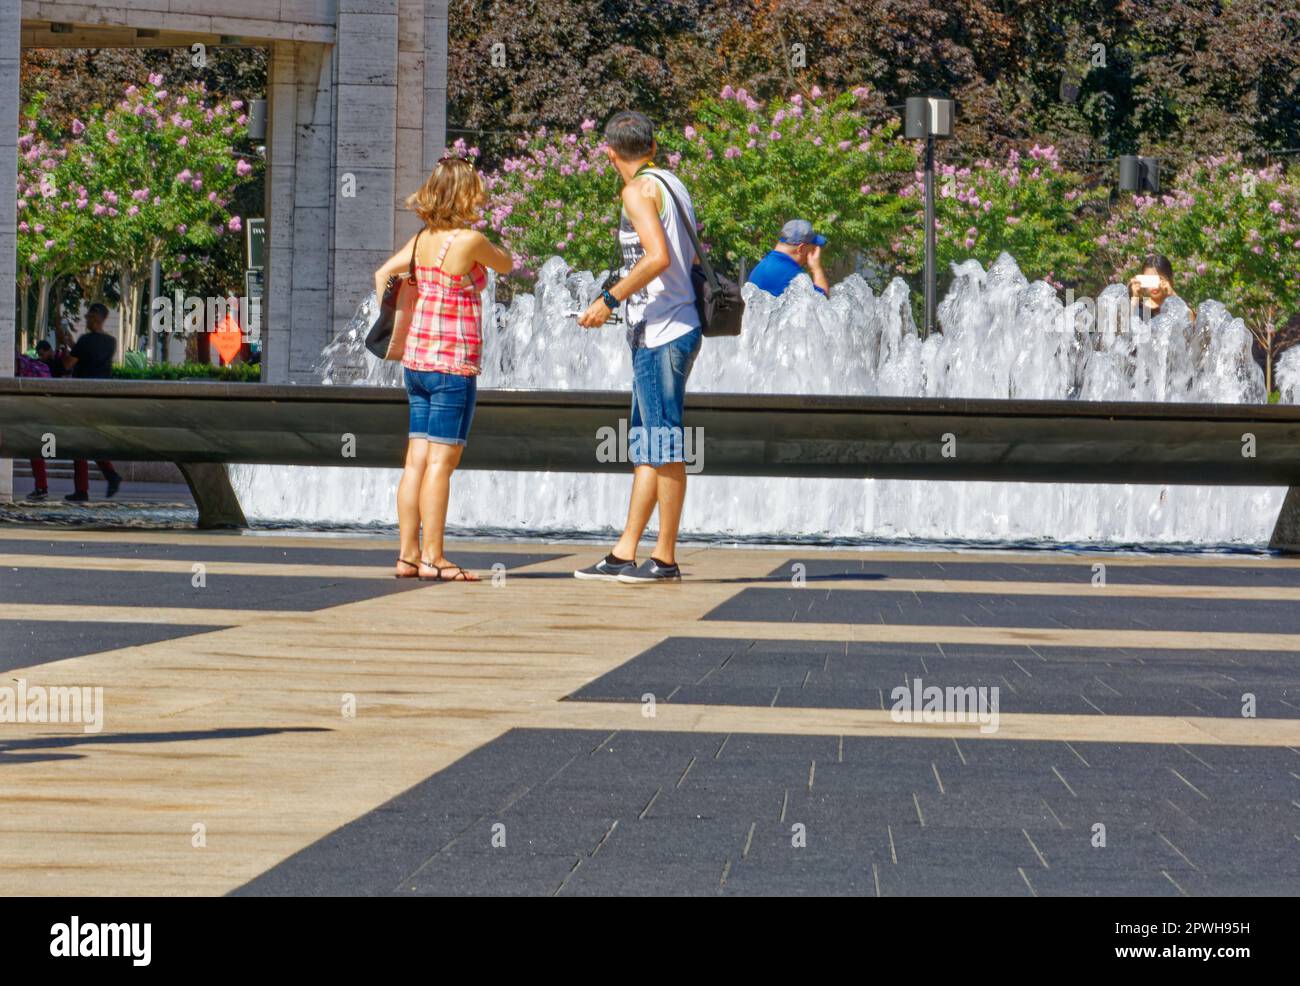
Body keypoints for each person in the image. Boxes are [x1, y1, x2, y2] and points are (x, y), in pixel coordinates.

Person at [573, 110, 703, 584]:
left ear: (610, 154)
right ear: (651, 147)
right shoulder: (672, 184)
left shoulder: (637, 190)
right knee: (649, 446)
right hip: (665, 328)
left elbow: (659, 257)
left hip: (663, 331)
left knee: (664, 444)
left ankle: (665, 558)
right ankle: (624, 551)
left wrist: (609, 299)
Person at [374, 156, 512, 582]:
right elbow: (506, 264)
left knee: (415, 461)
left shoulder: (421, 241)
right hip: (453, 365)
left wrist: (400, 313)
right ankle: (436, 557)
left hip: (416, 363)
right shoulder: (468, 241)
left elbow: (383, 275)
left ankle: (408, 555)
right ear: (464, 194)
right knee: (441, 464)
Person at [59, 303, 122, 502]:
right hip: (102, 396)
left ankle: (85, 488)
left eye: (88, 316)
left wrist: (68, 346)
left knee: (79, 443)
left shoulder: (85, 341)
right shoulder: (111, 342)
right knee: (89, 440)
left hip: (82, 396)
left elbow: (68, 364)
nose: (86, 319)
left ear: (95, 317)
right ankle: (106, 476)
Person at [747, 220, 831, 298]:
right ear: (801, 248)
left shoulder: (763, 265)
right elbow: (823, 303)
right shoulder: (793, 277)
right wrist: (816, 269)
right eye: (813, 248)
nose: (814, 252)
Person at [14, 348, 52, 500]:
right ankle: (41, 487)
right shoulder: (29, 362)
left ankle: (41, 487)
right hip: (39, 412)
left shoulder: (16, 362)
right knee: (36, 452)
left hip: (24, 412)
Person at [1127, 253, 1192, 323]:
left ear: (1170, 281)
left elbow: (1192, 325)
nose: (1155, 286)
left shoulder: (1176, 307)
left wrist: (1173, 295)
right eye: (1149, 280)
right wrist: (1135, 298)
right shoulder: (1140, 308)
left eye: (1159, 279)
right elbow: (1121, 330)